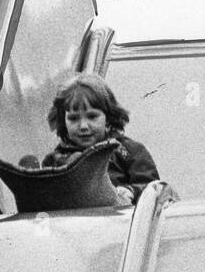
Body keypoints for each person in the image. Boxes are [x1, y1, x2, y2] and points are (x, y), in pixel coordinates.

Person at [43, 72, 159, 206]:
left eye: (92, 116)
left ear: (108, 117)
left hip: (119, 221)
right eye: (74, 118)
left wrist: (131, 191)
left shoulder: (128, 150)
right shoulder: (55, 160)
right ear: (63, 121)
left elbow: (154, 189)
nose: (83, 126)